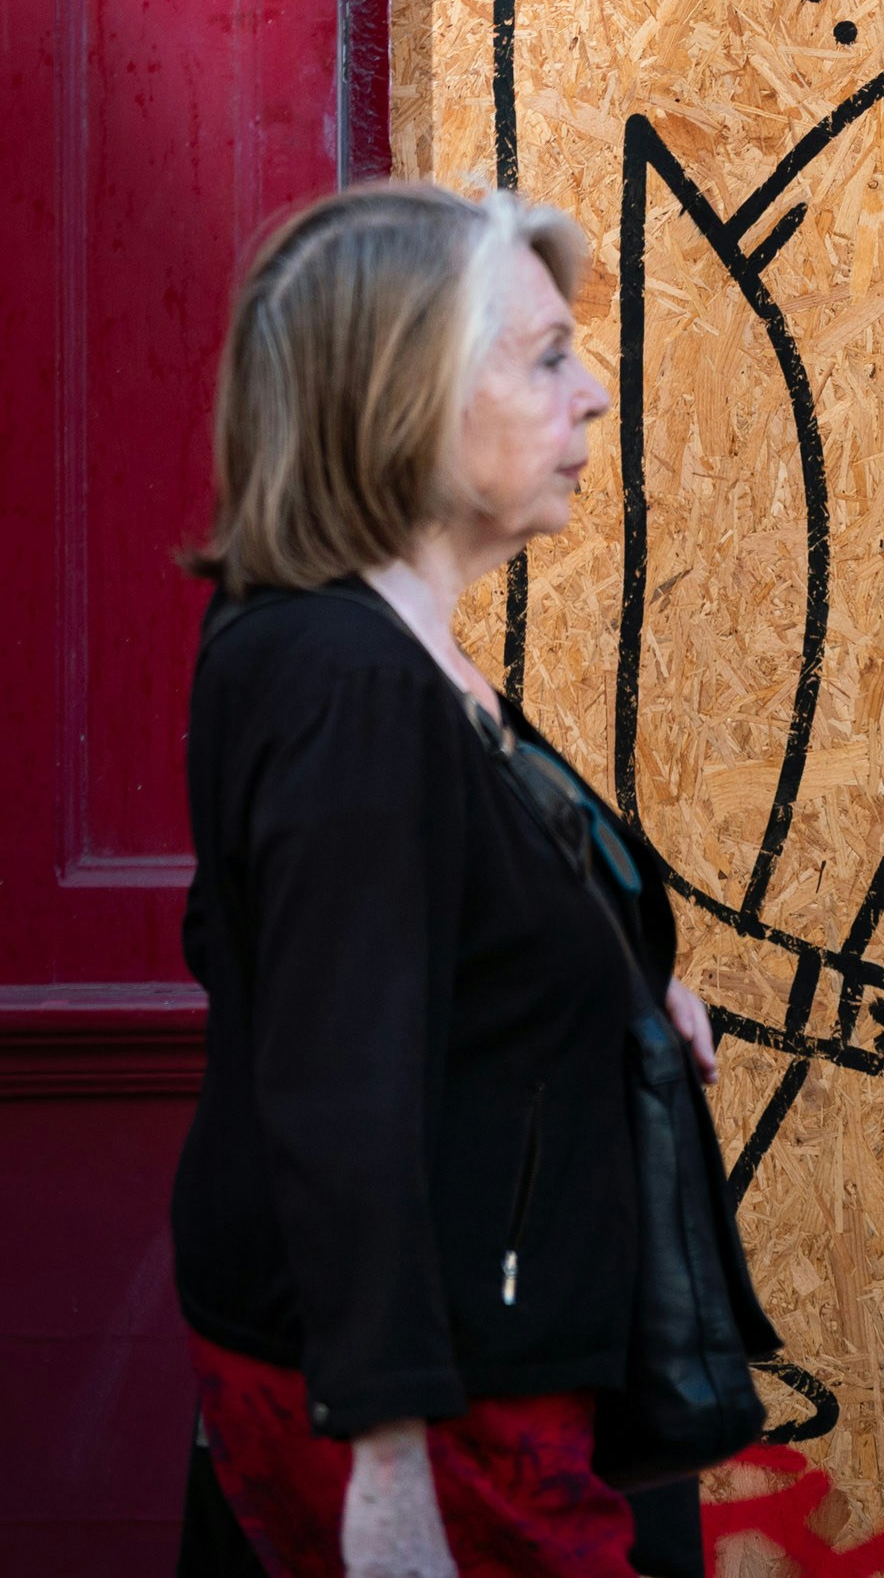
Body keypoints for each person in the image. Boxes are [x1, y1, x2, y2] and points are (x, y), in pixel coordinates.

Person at [172, 180, 750, 1578]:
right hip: (444, 1425)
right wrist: (384, 1477)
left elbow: (399, 942)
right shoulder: (344, 683)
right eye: (545, 356)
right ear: (405, 395)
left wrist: (613, 991)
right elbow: (338, 1082)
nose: (592, 393)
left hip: (507, 1377)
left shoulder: (400, 663)